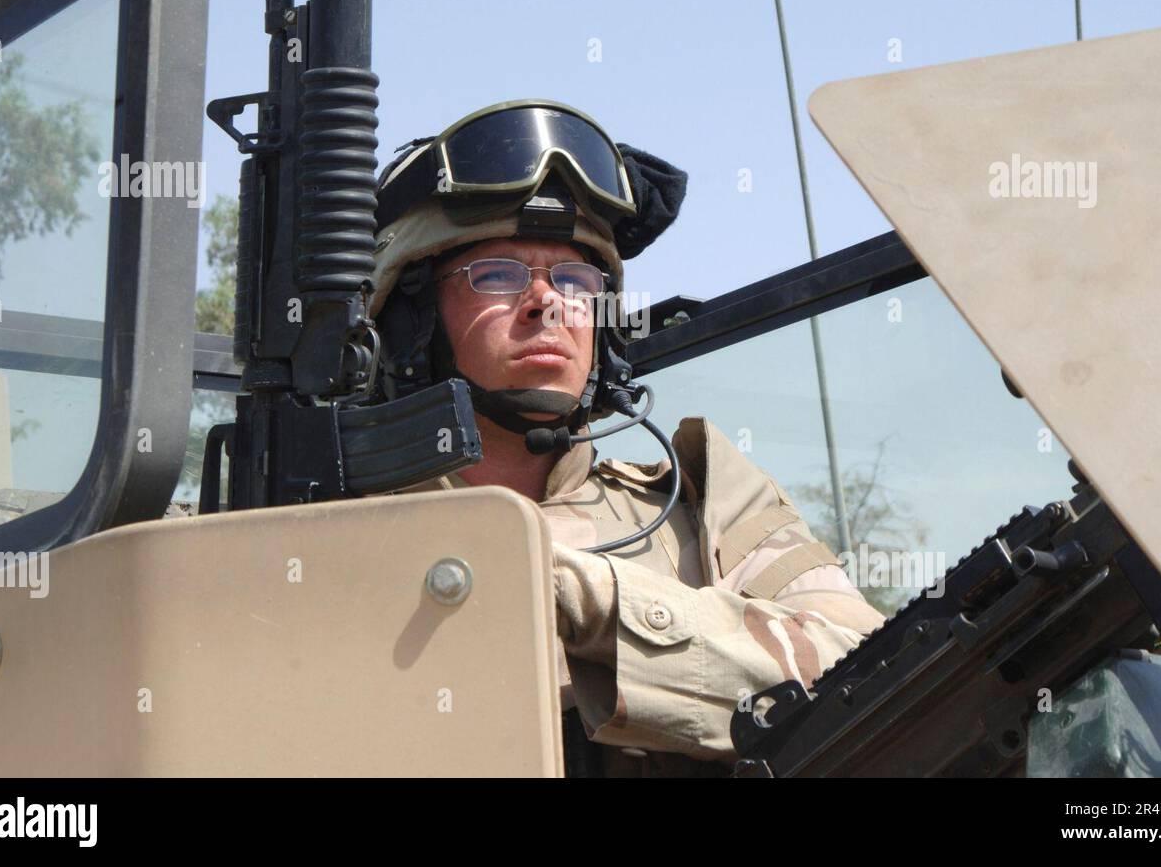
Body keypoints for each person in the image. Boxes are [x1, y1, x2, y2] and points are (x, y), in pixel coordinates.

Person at [370, 100, 885, 776]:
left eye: (576, 279)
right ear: (414, 320)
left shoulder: (706, 504)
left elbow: (868, 670)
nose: (546, 301)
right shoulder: (326, 523)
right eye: (496, 275)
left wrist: (586, 598)